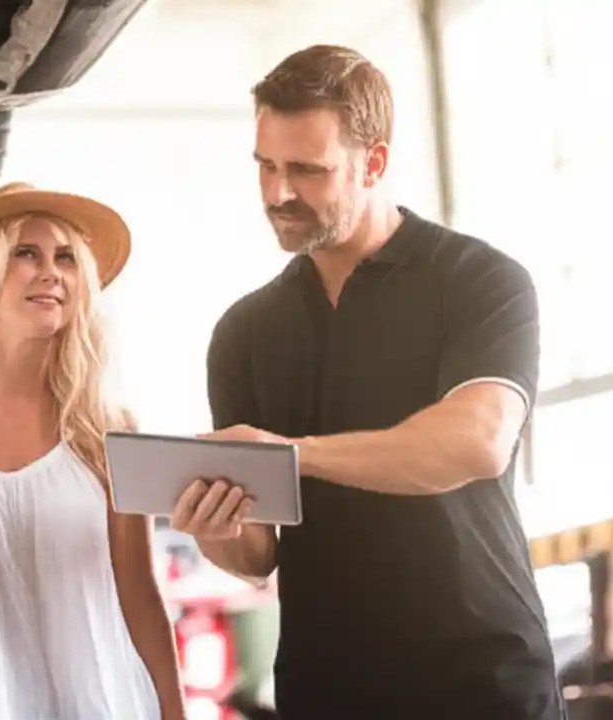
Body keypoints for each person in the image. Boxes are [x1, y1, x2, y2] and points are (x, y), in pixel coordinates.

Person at [173, 45, 564, 718]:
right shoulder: (244, 333)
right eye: (266, 166)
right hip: (328, 691)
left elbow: (476, 441)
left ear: (374, 162)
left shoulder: (479, 282)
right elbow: (258, 554)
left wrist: (291, 455)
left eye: (307, 170)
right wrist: (212, 526)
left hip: (480, 684)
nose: (278, 193)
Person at [0, 182, 185, 719]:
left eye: (66, 258)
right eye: (25, 254)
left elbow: (140, 595)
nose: (50, 272)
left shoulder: (105, 430)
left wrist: (175, 713)